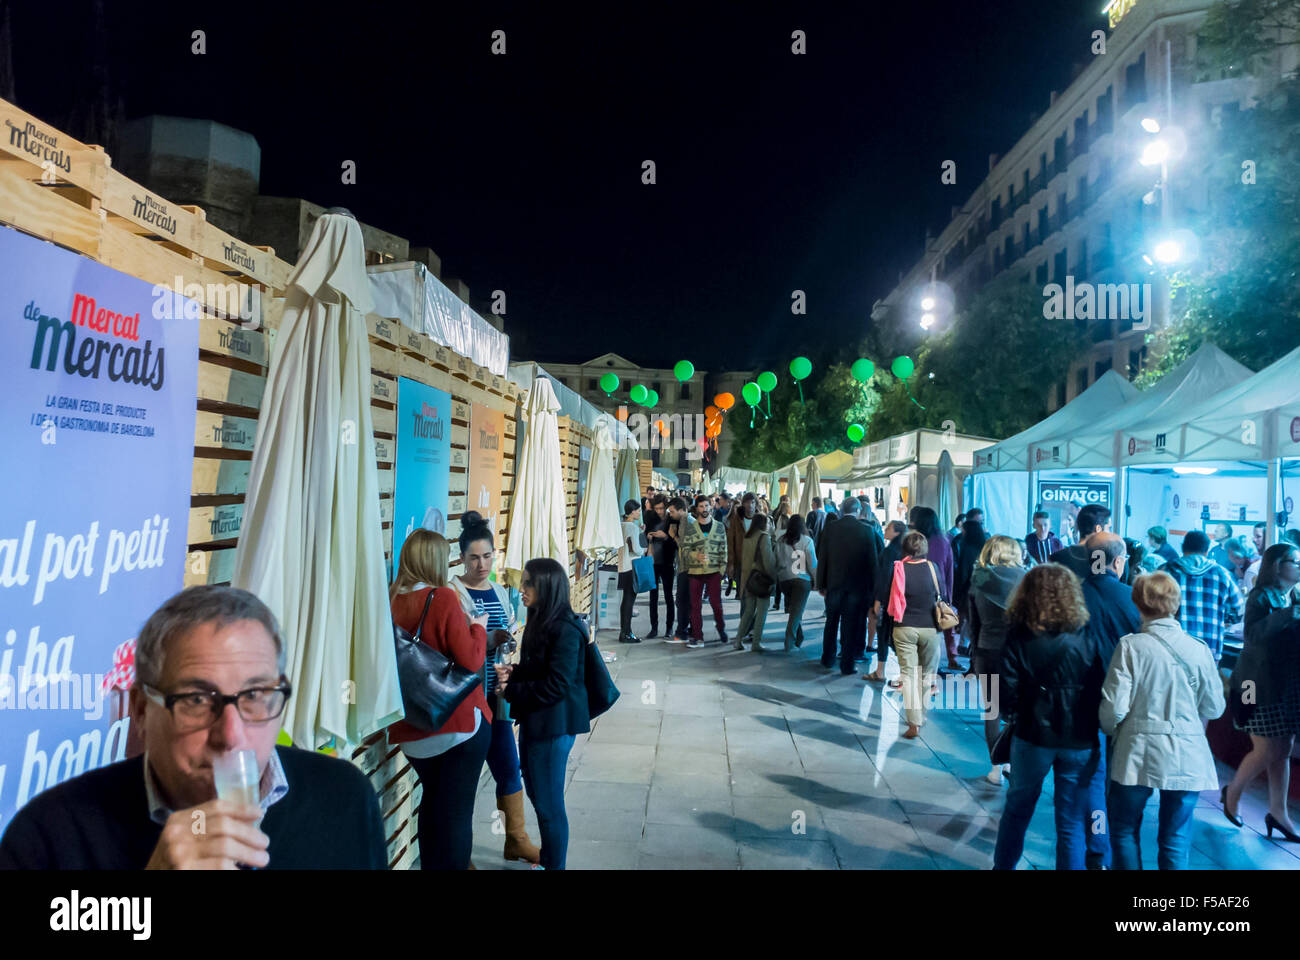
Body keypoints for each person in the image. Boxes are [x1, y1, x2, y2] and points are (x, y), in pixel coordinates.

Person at [0, 586, 387, 870]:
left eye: (255, 694)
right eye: (197, 700)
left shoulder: (344, 797)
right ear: (139, 709)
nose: (232, 736)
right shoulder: (49, 837)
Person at [1101, 572, 1225, 870]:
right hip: (1187, 752)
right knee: (1175, 837)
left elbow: (1115, 708)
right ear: (1176, 603)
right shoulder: (1199, 649)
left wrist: (1110, 730)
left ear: (1138, 603)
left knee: (1124, 829)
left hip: (1137, 751)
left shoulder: (1131, 646)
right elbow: (1215, 707)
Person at [385, 530, 494, 870]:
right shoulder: (442, 597)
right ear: (434, 561)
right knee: (458, 816)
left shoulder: (390, 599)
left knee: (432, 806)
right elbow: (471, 660)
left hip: (413, 731)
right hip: (457, 727)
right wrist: (478, 626)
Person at [992, 564, 1104, 870]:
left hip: (1032, 735)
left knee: (1017, 810)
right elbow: (1101, 684)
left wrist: (1016, 711)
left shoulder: (1018, 635)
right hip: (1080, 737)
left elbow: (1005, 689)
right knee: (1070, 819)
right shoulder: (1088, 634)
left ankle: (1003, 867)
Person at [451, 511, 540, 865]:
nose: (481, 564)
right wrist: (484, 640)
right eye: (473, 557)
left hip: (498, 699)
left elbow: (509, 635)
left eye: (487, 556)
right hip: (468, 702)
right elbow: (454, 646)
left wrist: (507, 644)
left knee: (508, 769)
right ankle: (459, 854)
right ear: (461, 558)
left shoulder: (502, 592)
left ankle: (515, 838)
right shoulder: (452, 594)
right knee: (465, 781)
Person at [496, 558, 590, 870]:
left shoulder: (565, 628)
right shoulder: (541, 619)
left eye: (527, 584)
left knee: (550, 807)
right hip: (538, 723)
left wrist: (511, 690)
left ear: (545, 587)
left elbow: (556, 685)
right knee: (539, 796)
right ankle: (549, 861)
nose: (520, 589)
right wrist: (516, 672)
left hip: (554, 727)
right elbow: (541, 671)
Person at [1223, 542, 1300, 841]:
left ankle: (1278, 813)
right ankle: (1232, 794)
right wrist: (1291, 613)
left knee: (1283, 748)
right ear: (1277, 565)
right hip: (1254, 685)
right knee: (1268, 748)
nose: (1298, 565)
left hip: (1284, 685)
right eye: (1294, 560)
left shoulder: (1291, 596)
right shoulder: (1261, 596)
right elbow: (1254, 636)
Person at [968, 535, 1027, 783]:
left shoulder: (979, 577)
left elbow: (973, 621)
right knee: (1016, 710)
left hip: (987, 649)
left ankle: (995, 767)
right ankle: (1012, 763)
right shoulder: (1026, 578)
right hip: (1018, 653)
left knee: (991, 708)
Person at [885, 531, 944, 738]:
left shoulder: (898, 569)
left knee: (909, 676)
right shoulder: (933, 568)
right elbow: (942, 594)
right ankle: (922, 716)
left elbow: (888, 597)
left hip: (904, 627)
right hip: (930, 628)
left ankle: (914, 723)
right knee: (927, 676)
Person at [1160, 530, 1244, 663]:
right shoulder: (1223, 574)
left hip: (1171, 651)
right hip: (1209, 652)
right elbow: (1239, 610)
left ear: (1183, 547)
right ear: (1206, 550)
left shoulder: (1165, 572)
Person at [816, 497, 878, 675]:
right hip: (856, 588)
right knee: (850, 626)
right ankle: (847, 664)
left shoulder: (830, 528)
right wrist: (873, 590)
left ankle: (827, 658)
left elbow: (823, 557)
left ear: (842, 510)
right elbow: (872, 563)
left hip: (833, 585)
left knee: (831, 622)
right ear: (858, 511)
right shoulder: (867, 530)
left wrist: (821, 583)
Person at [910, 506, 957, 670]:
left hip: (922, 593)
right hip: (938, 592)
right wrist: (948, 596)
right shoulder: (943, 540)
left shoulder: (922, 541)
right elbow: (948, 570)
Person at [681, 494, 730, 648]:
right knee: (695, 606)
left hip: (714, 571)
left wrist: (722, 568)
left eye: (706, 506)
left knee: (716, 603)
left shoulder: (719, 526)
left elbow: (724, 548)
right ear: (696, 508)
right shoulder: (691, 528)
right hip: (695, 572)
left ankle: (721, 627)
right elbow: (684, 550)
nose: (704, 509)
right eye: (701, 506)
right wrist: (696, 555)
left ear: (710, 506)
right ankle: (698, 637)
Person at [867, 521, 907, 683]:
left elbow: (884, 577)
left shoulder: (890, 551)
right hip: (899, 600)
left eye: (889, 528)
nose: (885, 529)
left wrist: (878, 600)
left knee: (883, 633)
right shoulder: (904, 551)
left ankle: (880, 671)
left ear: (896, 532)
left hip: (887, 600)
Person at [775, 514, 818, 653]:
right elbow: (812, 564)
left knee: (794, 611)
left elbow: (777, 559)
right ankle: (789, 643)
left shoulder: (781, 541)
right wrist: (816, 580)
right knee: (796, 613)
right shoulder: (807, 541)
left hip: (784, 580)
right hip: (802, 580)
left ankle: (799, 638)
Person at [734, 514, 777, 652]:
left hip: (748, 579)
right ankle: (756, 643)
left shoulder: (748, 536)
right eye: (769, 523)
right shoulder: (764, 537)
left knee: (748, 611)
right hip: (761, 579)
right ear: (764, 524)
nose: (770, 525)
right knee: (762, 611)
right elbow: (768, 560)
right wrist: (773, 578)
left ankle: (738, 640)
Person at [952, 518, 988, 652]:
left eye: (963, 529)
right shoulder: (985, 547)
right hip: (982, 588)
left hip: (968, 588)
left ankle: (966, 646)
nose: (961, 531)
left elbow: (963, 572)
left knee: (969, 618)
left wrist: (957, 590)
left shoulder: (967, 548)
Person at [1050, 504, 1111, 580]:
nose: (1109, 533)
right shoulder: (1101, 559)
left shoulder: (1057, 557)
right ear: (1098, 529)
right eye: (1108, 528)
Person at [645, 495, 677, 639]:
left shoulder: (672, 519)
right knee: (653, 596)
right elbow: (645, 534)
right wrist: (649, 536)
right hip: (653, 561)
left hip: (668, 561)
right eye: (657, 508)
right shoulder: (650, 517)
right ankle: (654, 628)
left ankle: (669, 627)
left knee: (669, 596)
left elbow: (676, 542)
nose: (659, 511)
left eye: (662, 508)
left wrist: (666, 537)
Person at [617, 500, 647, 644]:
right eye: (638, 510)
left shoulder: (621, 525)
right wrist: (645, 550)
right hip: (632, 566)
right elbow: (636, 549)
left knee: (625, 600)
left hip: (622, 566)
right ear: (633, 511)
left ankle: (624, 631)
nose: (640, 513)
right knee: (630, 600)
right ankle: (626, 633)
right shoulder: (632, 527)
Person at [666, 497, 693, 643]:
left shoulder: (687, 522)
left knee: (682, 601)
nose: (670, 514)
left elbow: (685, 545)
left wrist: (673, 536)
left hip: (688, 567)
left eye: (672, 511)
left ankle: (682, 632)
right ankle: (686, 630)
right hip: (685, 566)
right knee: (684, 601)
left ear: (681, 510)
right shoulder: (684, 521)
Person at [725, 493, 757, 599]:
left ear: (756, 504)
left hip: (756, 562)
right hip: (740, 562)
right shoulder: (736, 520)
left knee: (754, 593)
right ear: (743, 504)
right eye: (747, 502)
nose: (750, 505)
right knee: (742, 594)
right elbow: (730, 542)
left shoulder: (760, 519)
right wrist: (730, 564)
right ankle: (745, 615)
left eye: (753, 502)